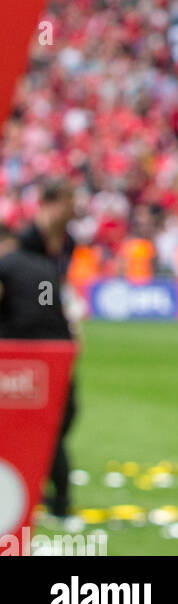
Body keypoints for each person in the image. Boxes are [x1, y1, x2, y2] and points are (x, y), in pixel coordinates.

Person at [0, 214, 77, 520]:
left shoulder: (5, 266)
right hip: (57, 360)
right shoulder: (46, 268)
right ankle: (59, 500)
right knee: (52, 431)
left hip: (18, 360)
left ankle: (33, 493)